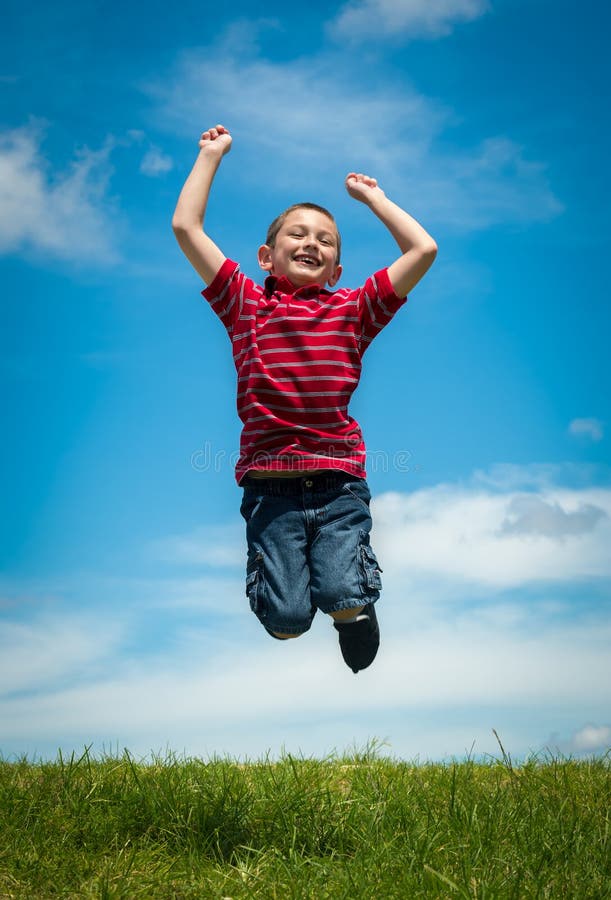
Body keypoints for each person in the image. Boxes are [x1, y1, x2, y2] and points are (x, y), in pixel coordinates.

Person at [172, 124, 437, 673]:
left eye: (325, 238)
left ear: (337, 269)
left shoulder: (352, 310)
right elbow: (186, 226)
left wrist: (374, 199)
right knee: (286, 623)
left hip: (338, 479)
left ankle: (355, 611)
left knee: (343, 593)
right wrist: (210, 156)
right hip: (270, 488)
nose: (311, 242)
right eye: (298, 234)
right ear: (266, 257)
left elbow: (423, 249)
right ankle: (289, 587)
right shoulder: (245, 304)